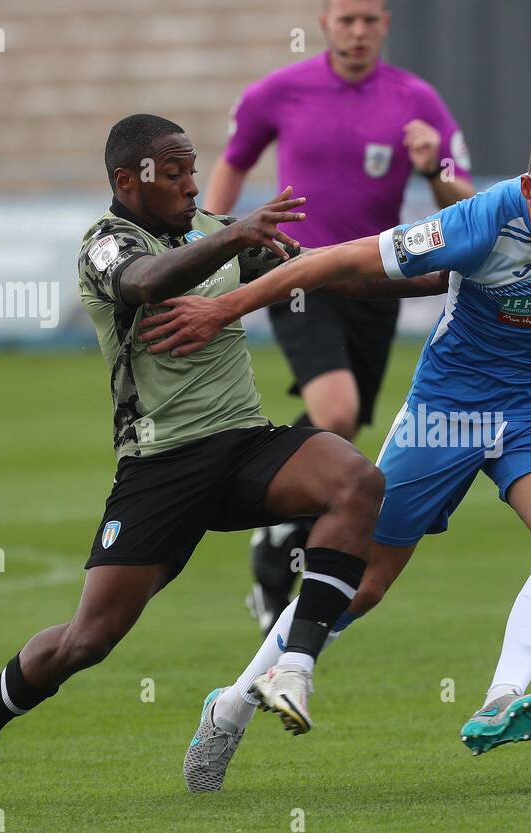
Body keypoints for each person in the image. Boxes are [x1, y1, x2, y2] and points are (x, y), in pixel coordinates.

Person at [142, 118, 531, 782]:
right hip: (446, 417)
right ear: (529, 186)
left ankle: (504, 696)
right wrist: (223, 308)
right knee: (364, 582)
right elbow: (337, 261)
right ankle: (230, 707)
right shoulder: (480, 221)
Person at [0, 114, 446, 807]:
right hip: (160, 466)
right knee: (88, 639)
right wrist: (234, 232)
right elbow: (144, 282)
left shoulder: (215, 230)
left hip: (243, 444)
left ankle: (290, 668)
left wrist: (442, 273)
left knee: (356, 481)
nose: (191, 185)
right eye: (173, 174)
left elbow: (328, 273)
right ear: (125, 180)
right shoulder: (106, 246)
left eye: (192, 168)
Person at [202, 0, 475, 635]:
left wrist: (434, 167)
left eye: (369, 20)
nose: (357, 31)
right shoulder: (280, 91)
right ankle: (271, 512)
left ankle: (276, 538)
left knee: (345, 432)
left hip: (377, 282)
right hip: (300, 271)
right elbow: (234, 161)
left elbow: (463, 205)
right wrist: (209, 239)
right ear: (324, 23)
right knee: (337, 412)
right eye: (346, 19)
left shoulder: (417, 100)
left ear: (386, 25)